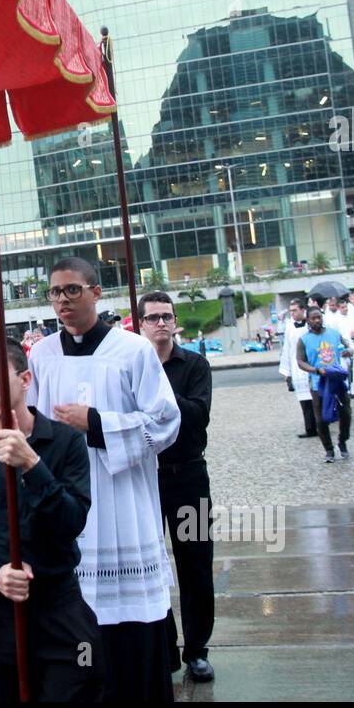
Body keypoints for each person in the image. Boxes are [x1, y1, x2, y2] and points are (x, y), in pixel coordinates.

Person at [28, 259, 182, 701]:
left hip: (124, 499)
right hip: (69, 501)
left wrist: (95, 423)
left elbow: (166, 422)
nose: (62, 301)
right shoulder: (42, 356)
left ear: (96, 293)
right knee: (78, 624)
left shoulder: (132, 350)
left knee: (131, 626)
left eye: (72, 290)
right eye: (55, 292)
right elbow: (34, 427)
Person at [0, 337, 102, 701]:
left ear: (25, 379)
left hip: (58, 605)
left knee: (75, 689)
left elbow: (72, 520)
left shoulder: (64, 442)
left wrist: (33, 464)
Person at [138, 291, 216, 683]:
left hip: (188, 476)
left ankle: (197, 650)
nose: (161, 323)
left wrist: (160, 398)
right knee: (152, 563)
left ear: (176, 321)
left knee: (196, 565)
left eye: (166, 316)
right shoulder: (134, 366)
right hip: (146, 477)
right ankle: (165, 648)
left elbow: (198, 416)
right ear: (140, 324)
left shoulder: (195, 365)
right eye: (152, 318)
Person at [296, 308, 352, 462]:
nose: (317, 321)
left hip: (337, 380)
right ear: (308, 320)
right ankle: (328, 449)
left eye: (319, 317)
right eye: (313, 318)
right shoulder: (304, 339)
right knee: (321, 419)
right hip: (318, 383)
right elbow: (300, 361)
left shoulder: (333, 333)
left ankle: (342, 441)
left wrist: (348, 350)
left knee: (345, 413)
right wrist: (315, 370)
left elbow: (346, 345)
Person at [279, 299, 318, 438]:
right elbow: (287, 348)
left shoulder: (311, 325)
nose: (293, 313)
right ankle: (310, 428)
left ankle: (320, 427)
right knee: (304, 400)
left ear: (303, 310)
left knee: (315, 399)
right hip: (297, 367)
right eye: (291, 311)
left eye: (295, 310)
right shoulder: (290, 326)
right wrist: (287, 372)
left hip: (311, 366)